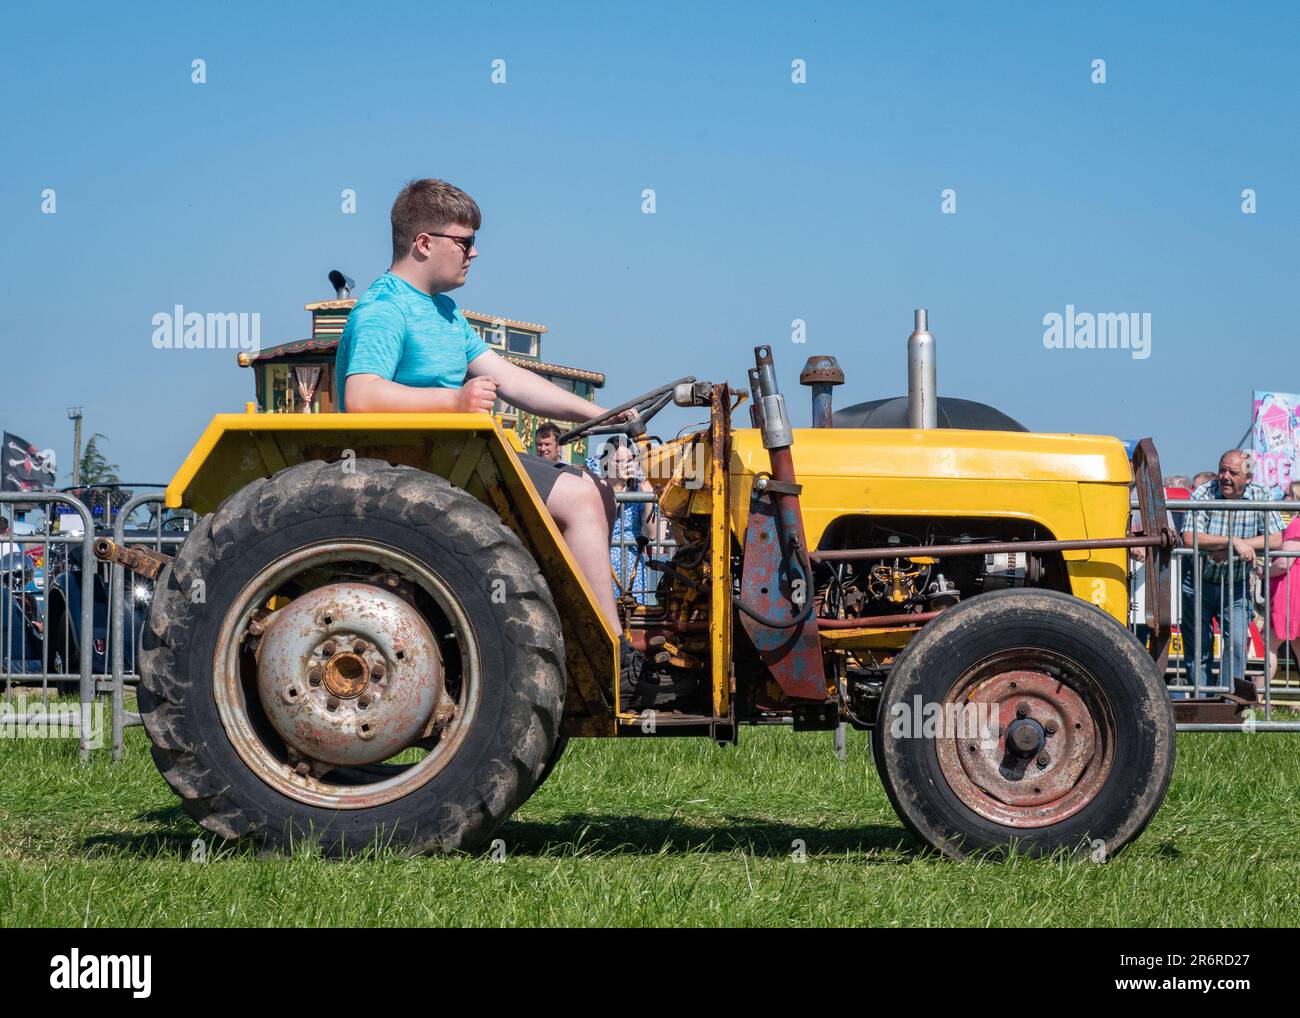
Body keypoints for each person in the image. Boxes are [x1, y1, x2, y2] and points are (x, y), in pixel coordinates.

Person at [335, 178, 661, 701]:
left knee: (591, 486)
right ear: (424, 242)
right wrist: (455, 402)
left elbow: (510, 378)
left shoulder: (442, 312)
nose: (474, 252)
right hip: (416, 473)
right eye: (464, 242)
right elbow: (362, 395)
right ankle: (610, 656)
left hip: (453, 463)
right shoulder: (384, 308)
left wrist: (602, 413)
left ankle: (574, 632)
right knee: (577, 496)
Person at [1180, 450, 1284, 693]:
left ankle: (1227, 705)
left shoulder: (1261, 494)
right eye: (1222, 470)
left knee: (1237, 644)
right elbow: (1189, 537)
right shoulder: (1204, 492)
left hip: (1235, 585)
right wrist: (1232, 542)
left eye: (1233, 472)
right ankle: (1202, 703)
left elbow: (1277, 538)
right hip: (1197, 581)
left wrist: (1236, 547)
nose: (1225, 477)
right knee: (1198, 647)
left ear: (1247, 478)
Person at [588, 437, 655, 605]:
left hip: (632, 564)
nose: (627, 465)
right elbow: (601, 527)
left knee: (634, 617)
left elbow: (651, 534)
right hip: (603, 561)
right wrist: (617, 490)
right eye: (619, 461)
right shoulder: (596, 487)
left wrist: (648, 499)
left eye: (630, 460)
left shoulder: (639, 488)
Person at [1266, 515, 1300, 683]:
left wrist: (1262, 571)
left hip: (1290, 596)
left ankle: (1255, 702)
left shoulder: (1297, 525)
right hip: (1293, 595)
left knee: (1266, 646)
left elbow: (1283, 563)